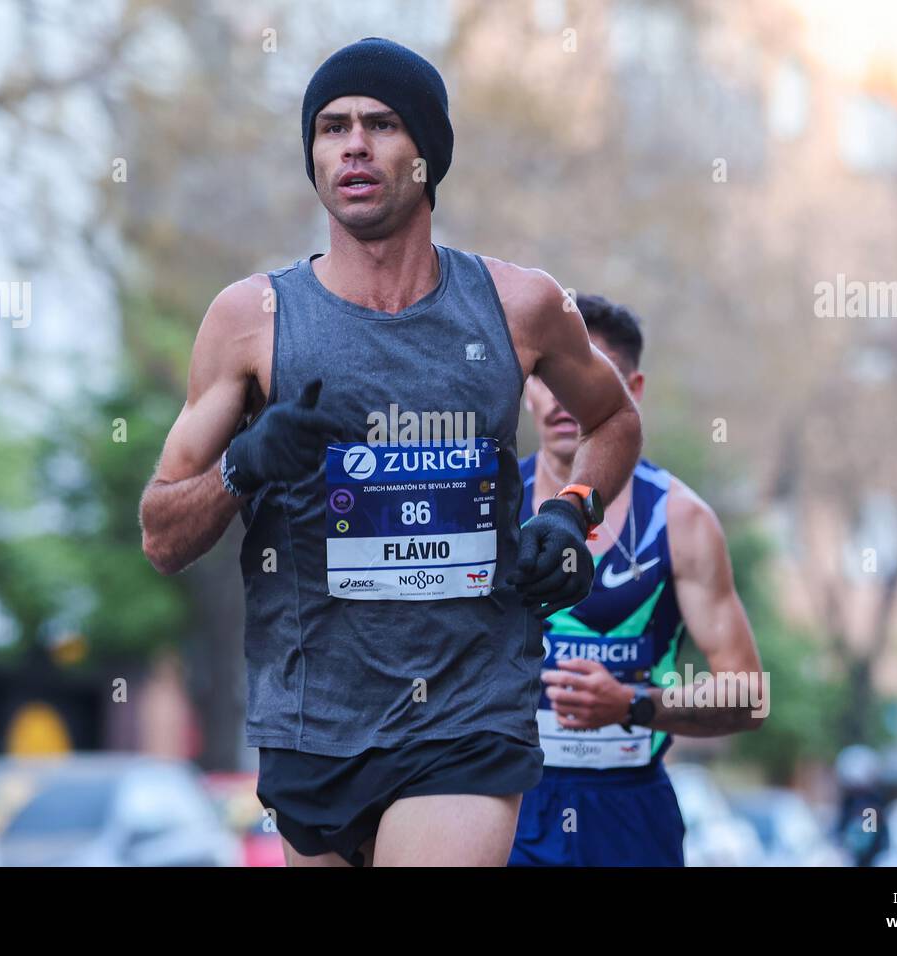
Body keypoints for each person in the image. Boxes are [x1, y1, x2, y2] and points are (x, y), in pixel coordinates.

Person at [138, 38, 642, 866]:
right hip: (313, 721)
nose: (355, 146)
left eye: (381, 124)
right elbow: (161, 535)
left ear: (428, 155)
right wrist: (245, 464)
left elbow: (614, 421)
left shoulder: (519, 305)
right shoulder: (251, 319)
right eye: (332, 128)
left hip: (469, 712)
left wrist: (568, 508)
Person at [509, 294, 765, 866]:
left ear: (633, 391)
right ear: (527, 387)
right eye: (549, 380)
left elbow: (749, 696)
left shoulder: (682, 519)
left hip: (628, 811)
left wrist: (632, 704)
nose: (563, 400)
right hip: (508, 800)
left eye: (589, 381)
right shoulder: (491, 505)